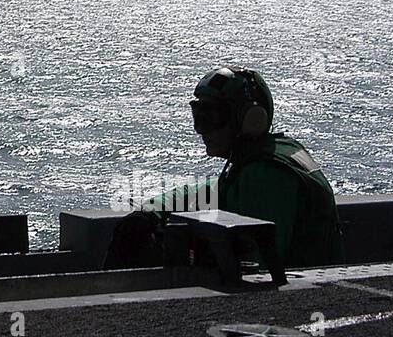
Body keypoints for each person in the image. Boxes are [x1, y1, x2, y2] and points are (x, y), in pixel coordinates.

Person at [106, 66, 342, 269]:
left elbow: (260, 265)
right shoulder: (271, 154)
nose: (202, 130)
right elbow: (211, 190)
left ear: (249, 118)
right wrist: (151, 211)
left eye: (211, 118)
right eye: (198, 117)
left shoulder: (265, 174)